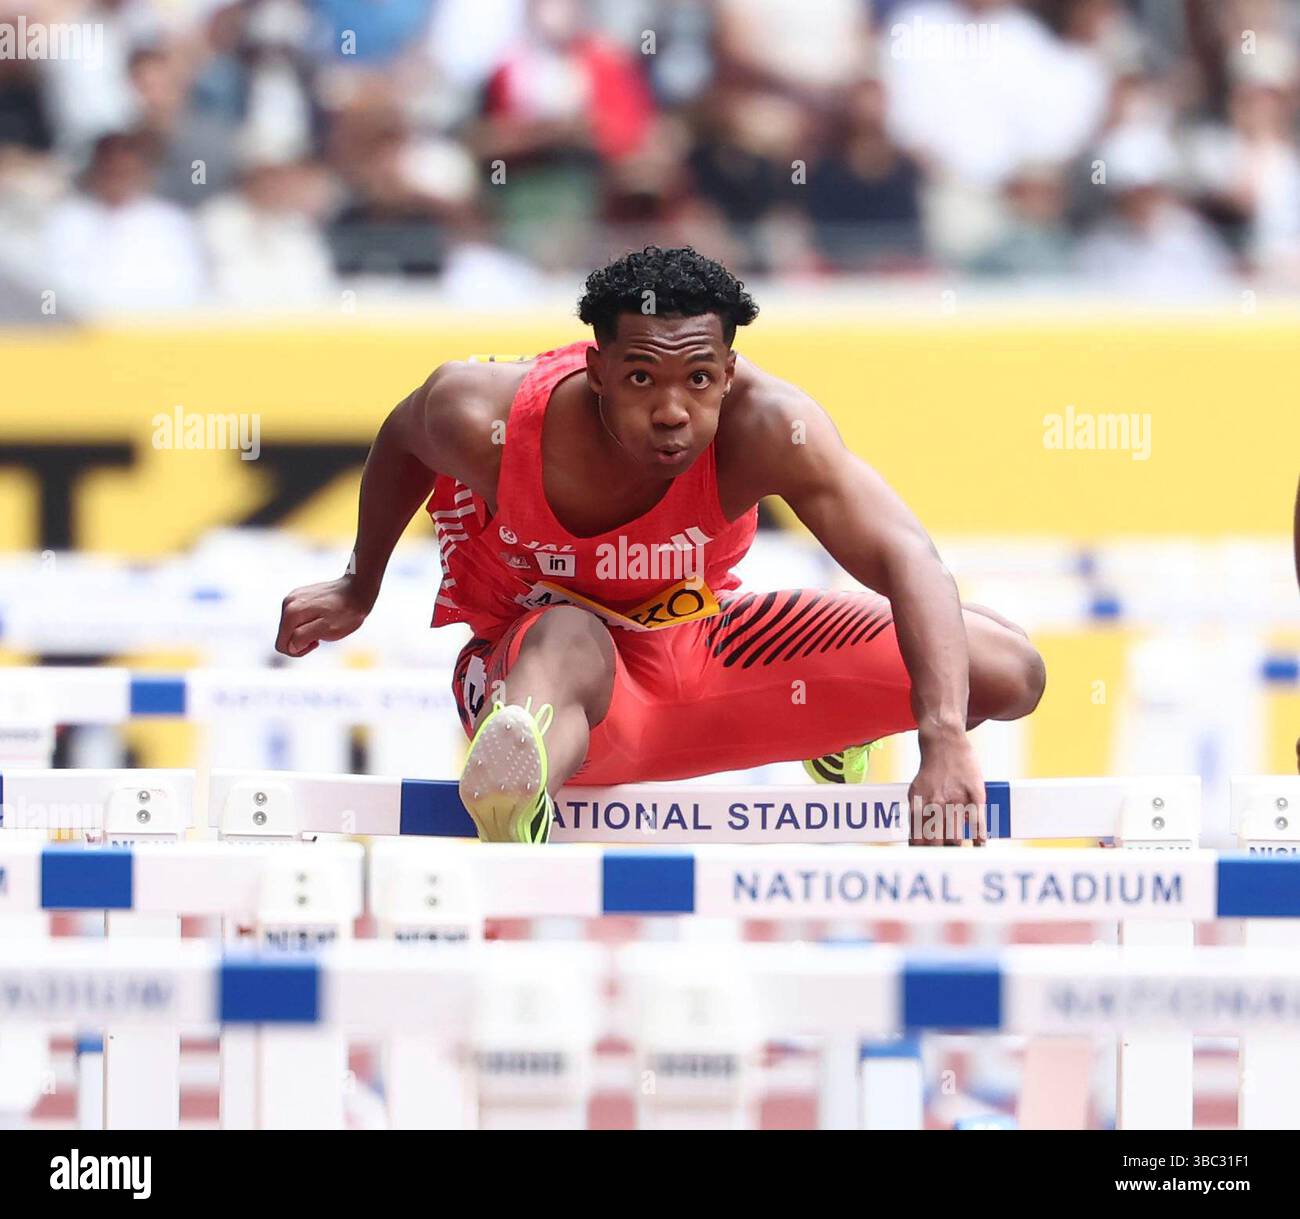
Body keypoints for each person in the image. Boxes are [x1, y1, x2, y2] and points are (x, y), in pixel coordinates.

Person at [275, 247, 1045, 845]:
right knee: (570, 636)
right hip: (562, 687)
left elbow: (910, 557)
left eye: (700, 380)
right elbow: (403, 439)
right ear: (597, 368)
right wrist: (358, 582)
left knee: (1009, 671)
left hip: (704, 650)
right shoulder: (483, 415)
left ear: (730, 373)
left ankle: (840, 726)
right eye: (642, 379)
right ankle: (516, 785)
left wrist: (941, 738)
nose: (673, 412)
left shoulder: (771, 427)